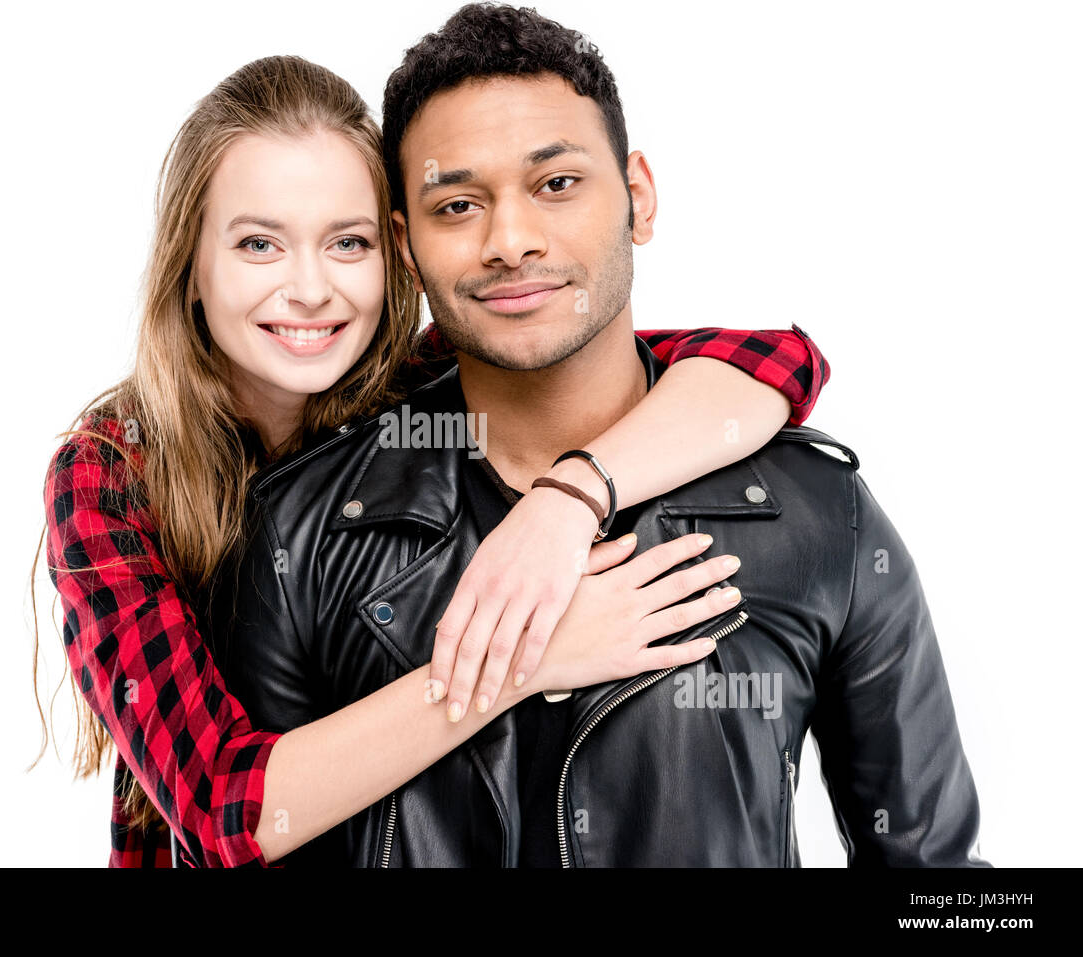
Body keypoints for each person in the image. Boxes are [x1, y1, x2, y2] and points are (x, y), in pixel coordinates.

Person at [221, 5, 988, 867]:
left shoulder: (818, 517)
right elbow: (245, 826)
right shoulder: (297, 530)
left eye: (557, 184)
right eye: (458, 203)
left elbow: (943, 886)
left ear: (639, 197)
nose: (510, 241)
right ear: (404, 245)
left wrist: (571, 496)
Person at [33, 53, 832, 867]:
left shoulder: (417, 382)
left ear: (397, 255)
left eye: (345, 242)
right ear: (190, 267)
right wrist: (521, 659)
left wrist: (570, 498)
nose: (309, 289)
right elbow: (220, 808)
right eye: (259, 245)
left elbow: (770, 363)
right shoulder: (111, 474)